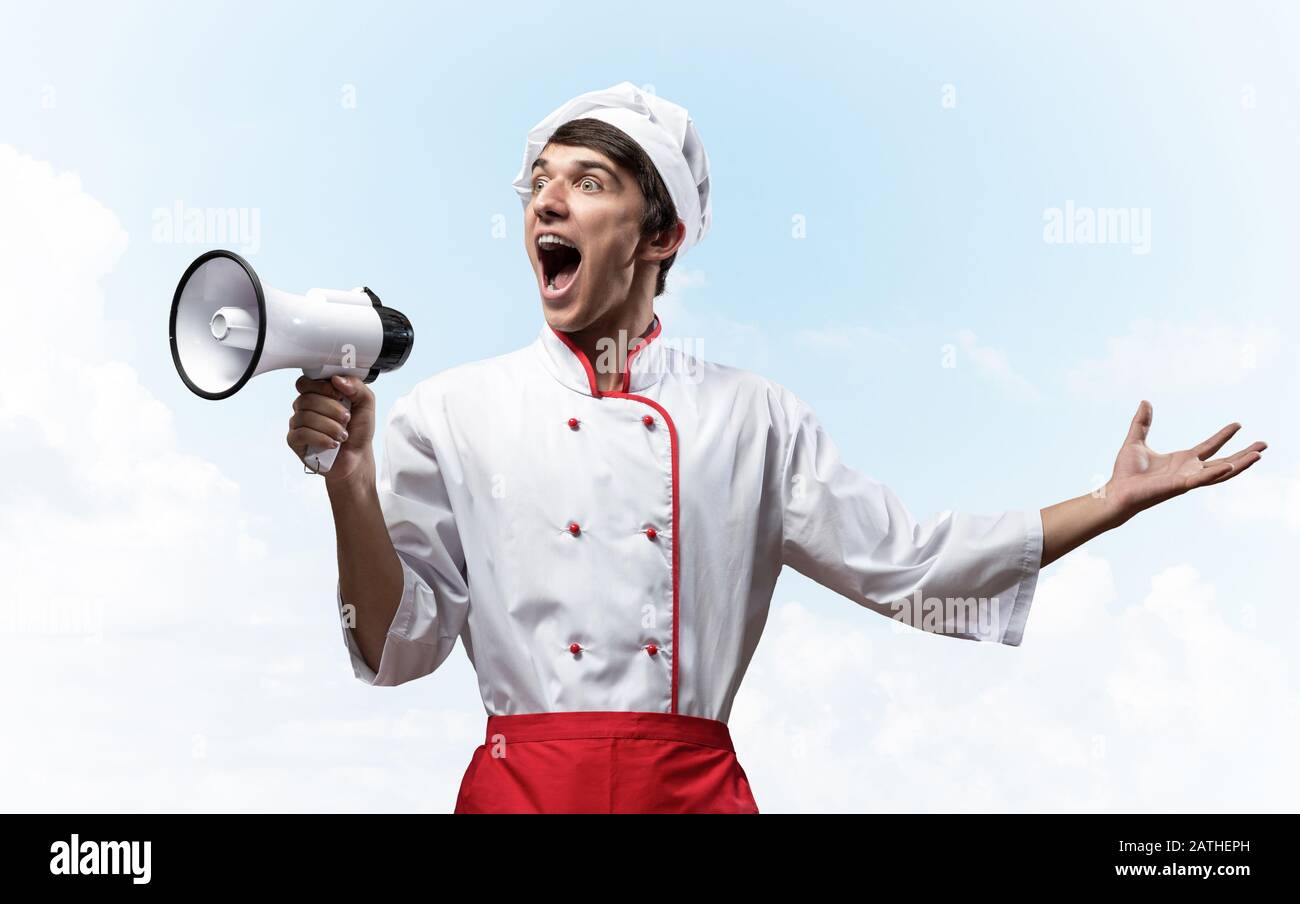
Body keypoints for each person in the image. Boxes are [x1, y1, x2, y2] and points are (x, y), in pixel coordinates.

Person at [286, 81, 1267, 813]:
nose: (546, 203)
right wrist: (351, 481)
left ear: (660, 233)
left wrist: (1109, 499)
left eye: (587, 182)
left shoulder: (751, 420)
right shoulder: (453, 415)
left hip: (693, 795)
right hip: (518, 793)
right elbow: (394, 647)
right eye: (538, 184)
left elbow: (914, 569)